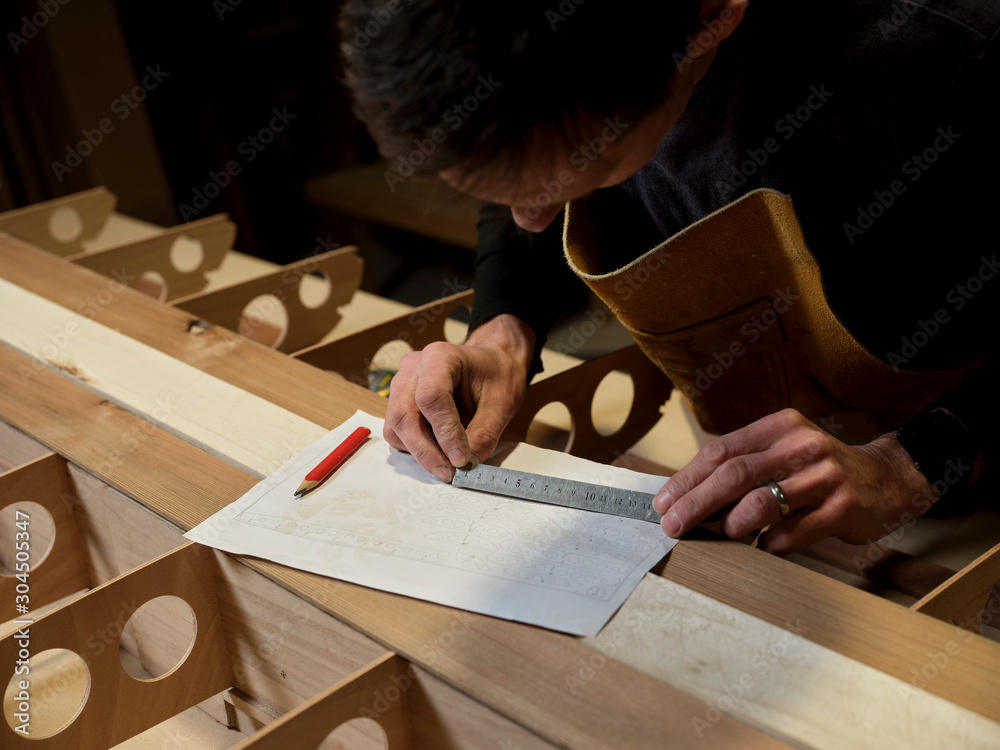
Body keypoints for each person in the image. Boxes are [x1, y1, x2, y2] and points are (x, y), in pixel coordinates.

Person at [338, 0, 999, 553]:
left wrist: (909, 469)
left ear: (713, 20)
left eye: (582, 172)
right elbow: (526, 150)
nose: (531, 220)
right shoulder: (560, 69)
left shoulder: (947, 55)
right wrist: (503, 329)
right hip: (751, 484)